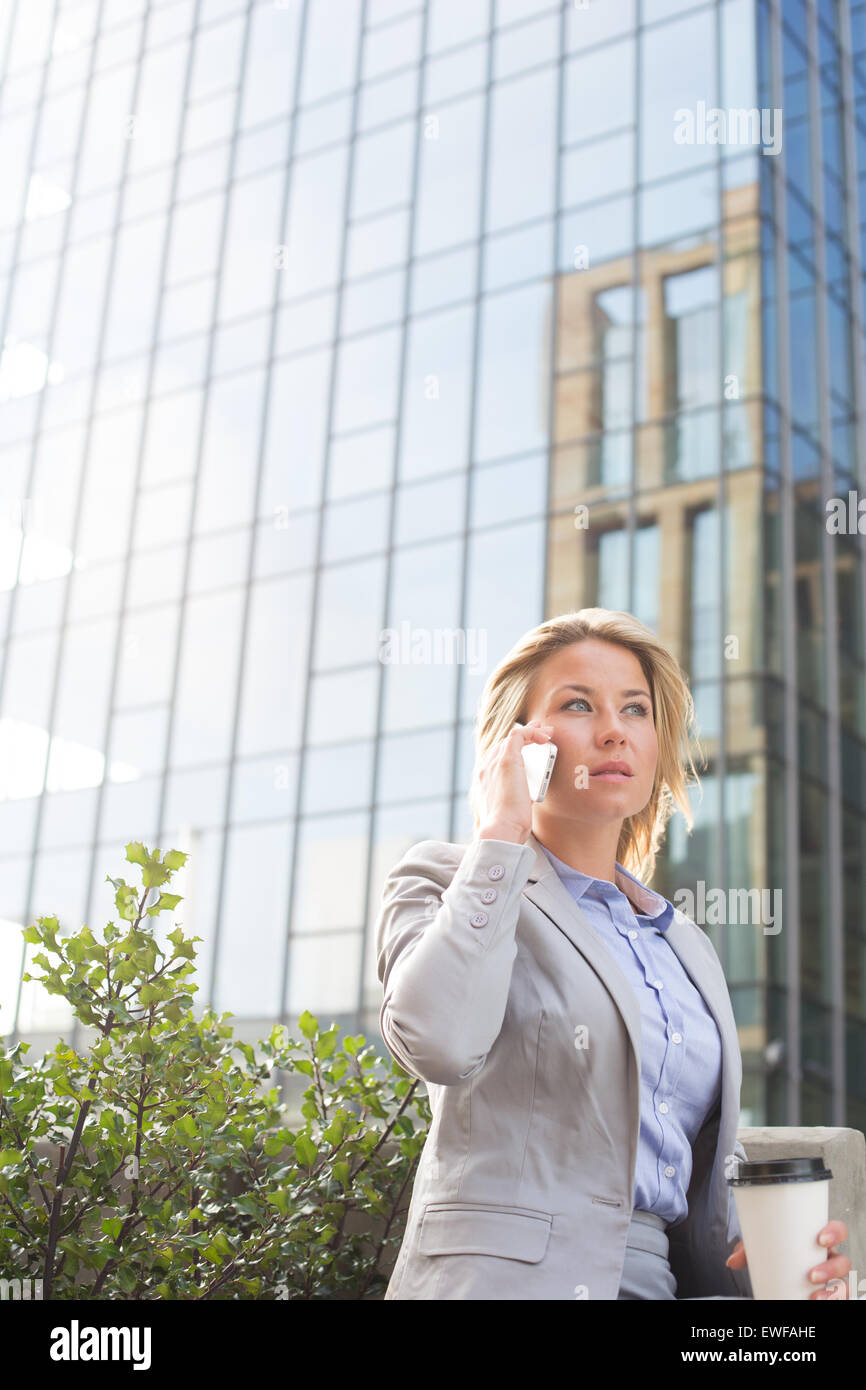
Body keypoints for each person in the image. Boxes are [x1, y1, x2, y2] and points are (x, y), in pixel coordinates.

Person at [375, 608, 850, 1300]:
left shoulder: (684, 946)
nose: (613, 730)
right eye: (577, 705)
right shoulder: (445, 879)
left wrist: (782, 1269)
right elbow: (439, 1042)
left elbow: (691, 1184)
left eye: (636, 710)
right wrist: (502, 835)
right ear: (518, 742)